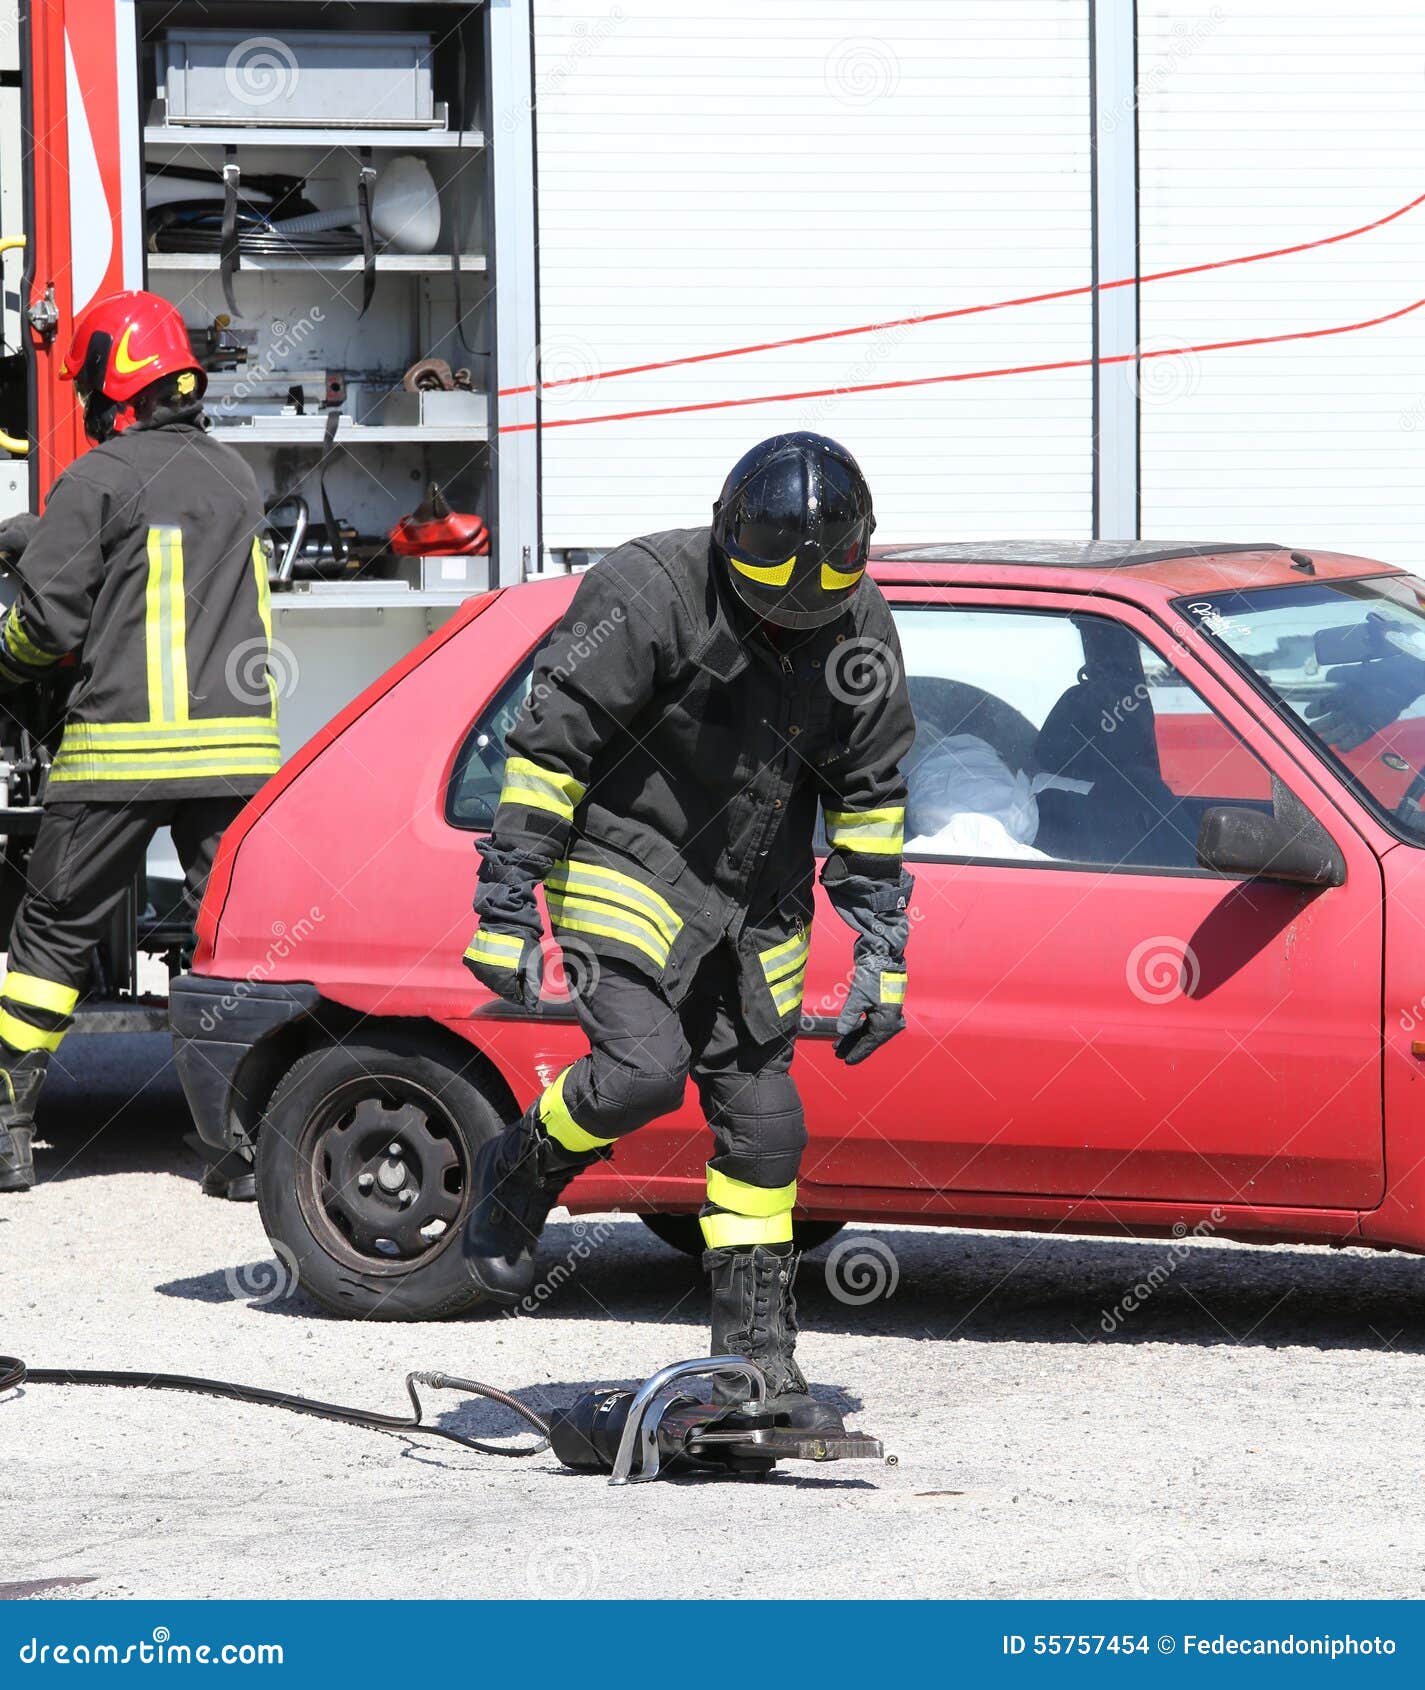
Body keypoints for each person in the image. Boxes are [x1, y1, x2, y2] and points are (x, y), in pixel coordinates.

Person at [461, 431, 915, 1429]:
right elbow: (546, 752)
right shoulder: (646, 590)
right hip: (630, 864)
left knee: (766, 1124)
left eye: (820, 592)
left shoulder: (860, 625)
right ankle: (523, 1165)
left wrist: (882, 945)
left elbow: (871, 794)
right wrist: (504, 906)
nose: (793, 613)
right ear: (727, 536)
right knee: (641, 1071)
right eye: (769, 588)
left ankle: (757, 1364)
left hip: (755, 902)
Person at [0, 290, 279, 1194]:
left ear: (112, 382)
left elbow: (46, 623)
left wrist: (7, 665)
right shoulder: (236, 476)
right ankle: (242, 1150)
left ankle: (7, 1129)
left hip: (118, 757)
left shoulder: (97, 476)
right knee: (227, 944)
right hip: (236, 762)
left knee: (52, 935)